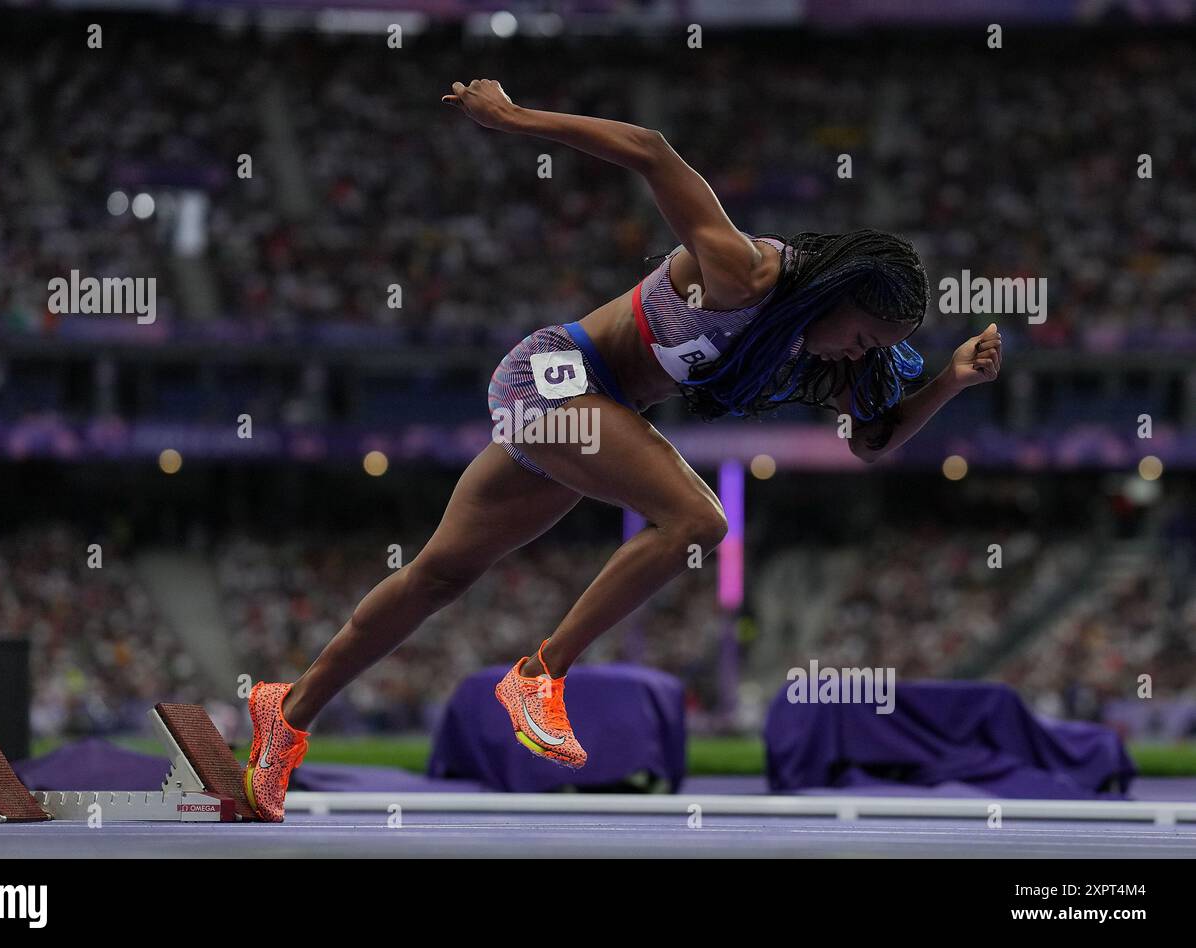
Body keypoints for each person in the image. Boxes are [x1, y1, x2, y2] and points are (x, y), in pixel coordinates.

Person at [242, 79, 1003, 821]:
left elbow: (871, 441)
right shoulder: (744, 273)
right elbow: (650, 149)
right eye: (862, 338)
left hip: (596, 410)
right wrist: (512, 118)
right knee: (698, 523)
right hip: (554, 375)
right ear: (836, 292)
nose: (855, 357)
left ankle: (288, 712)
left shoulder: (811, 344)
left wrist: (951, 382)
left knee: (439, 576)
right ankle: (538, 676)